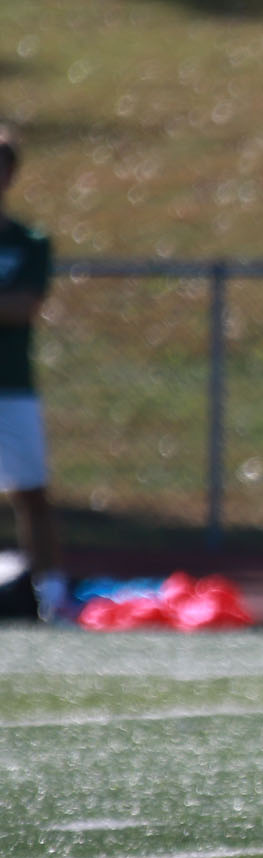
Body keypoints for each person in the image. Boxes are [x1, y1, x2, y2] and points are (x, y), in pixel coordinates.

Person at [0, 126, 69, 624]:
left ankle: (52, 595)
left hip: (12, 385)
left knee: (31, 493)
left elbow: (24, 306)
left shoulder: (29, 241)